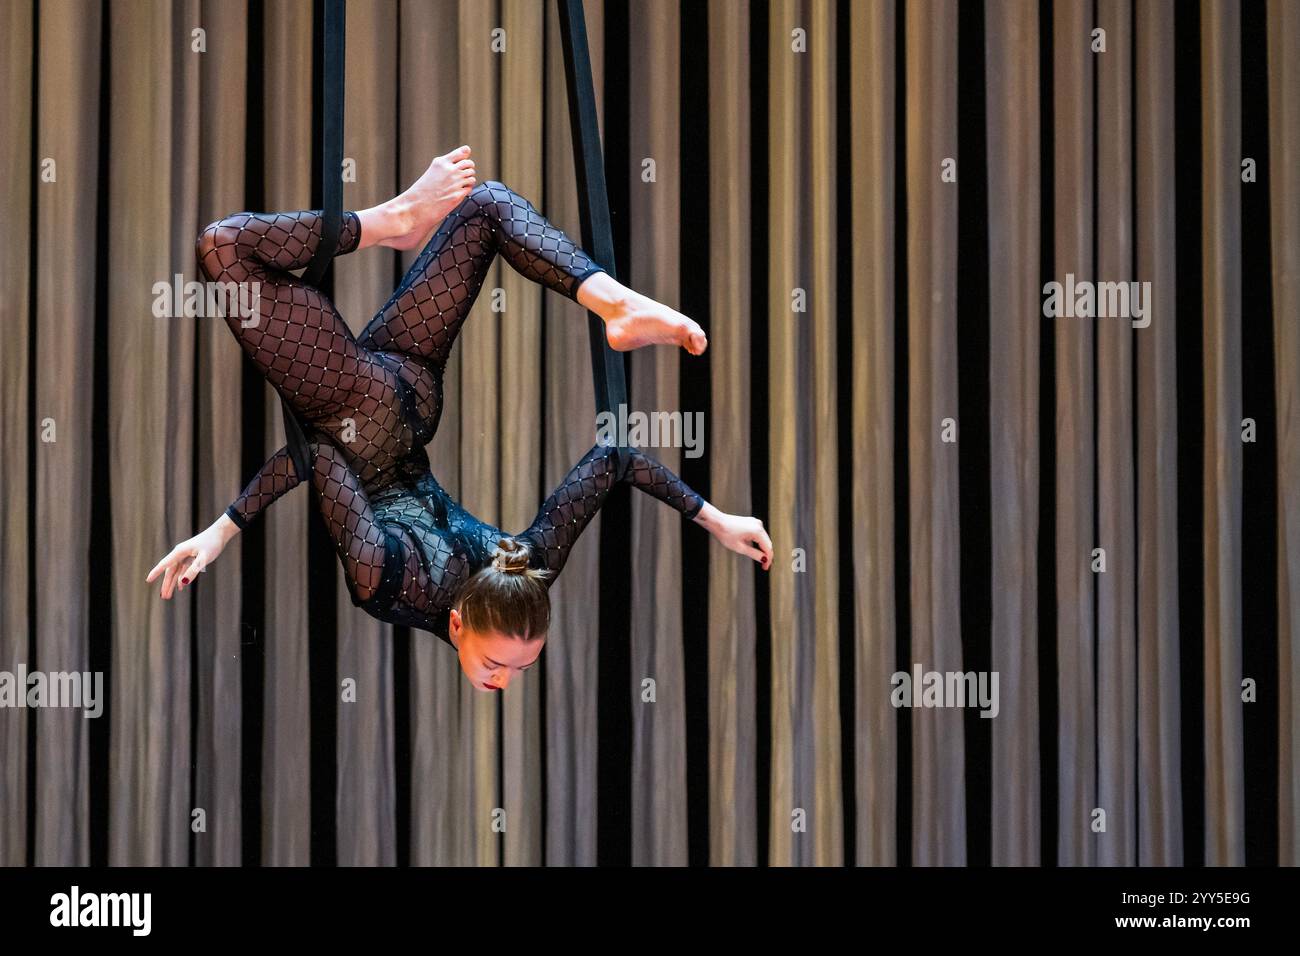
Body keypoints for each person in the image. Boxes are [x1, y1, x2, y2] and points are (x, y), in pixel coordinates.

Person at [148, 146, 772, 692]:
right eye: (508, 666)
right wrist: (716, 519)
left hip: (401, 395)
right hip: (359, 413)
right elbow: (320, 458)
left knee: (488, 207)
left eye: (509, 669)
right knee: (223, 247)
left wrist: (221, 531)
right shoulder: (441, 578)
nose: (504, 678)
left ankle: (605, 302)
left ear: (459, 625)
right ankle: (599, 299)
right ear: (456, 623)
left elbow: (616, 462)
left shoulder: (501, 564)